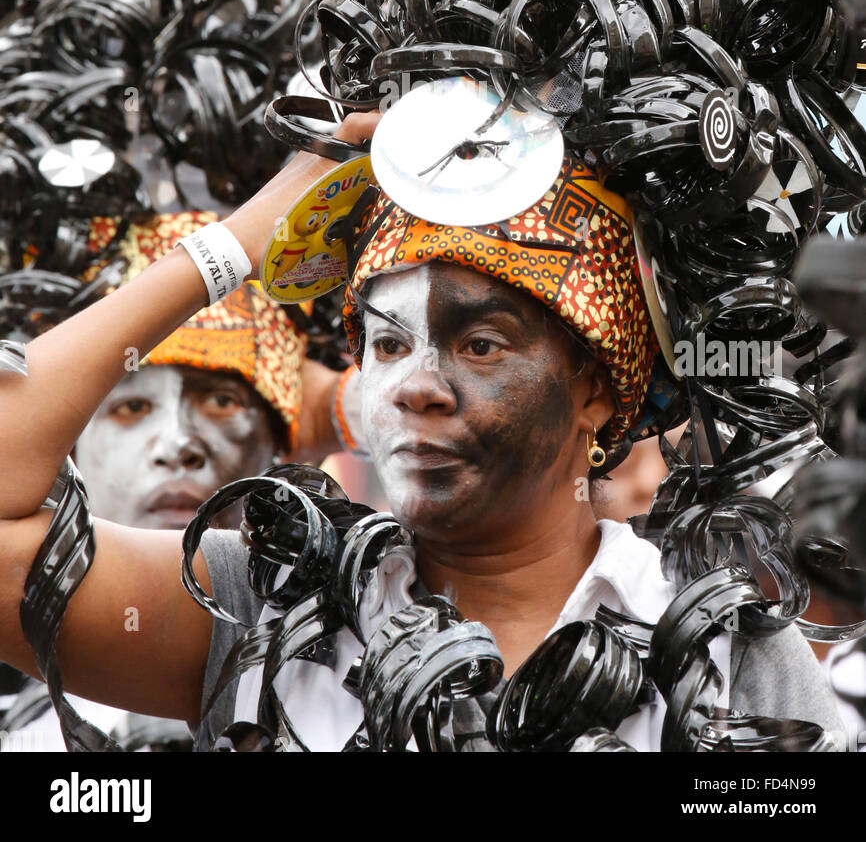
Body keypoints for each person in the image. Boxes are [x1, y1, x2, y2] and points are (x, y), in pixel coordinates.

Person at [0, 113, 843, 751]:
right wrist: (236, 243)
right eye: (389, 343)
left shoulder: (722, 649)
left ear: (599, 388)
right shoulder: (258, 605)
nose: (414, 387)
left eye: (481, 344)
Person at [0, 209, 349, 751]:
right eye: (132, 406)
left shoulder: (365, 662)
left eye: (220, 401)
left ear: (284, 445)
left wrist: (346, 407)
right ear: (65, 448)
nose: (176, 445)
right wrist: (227, 251)